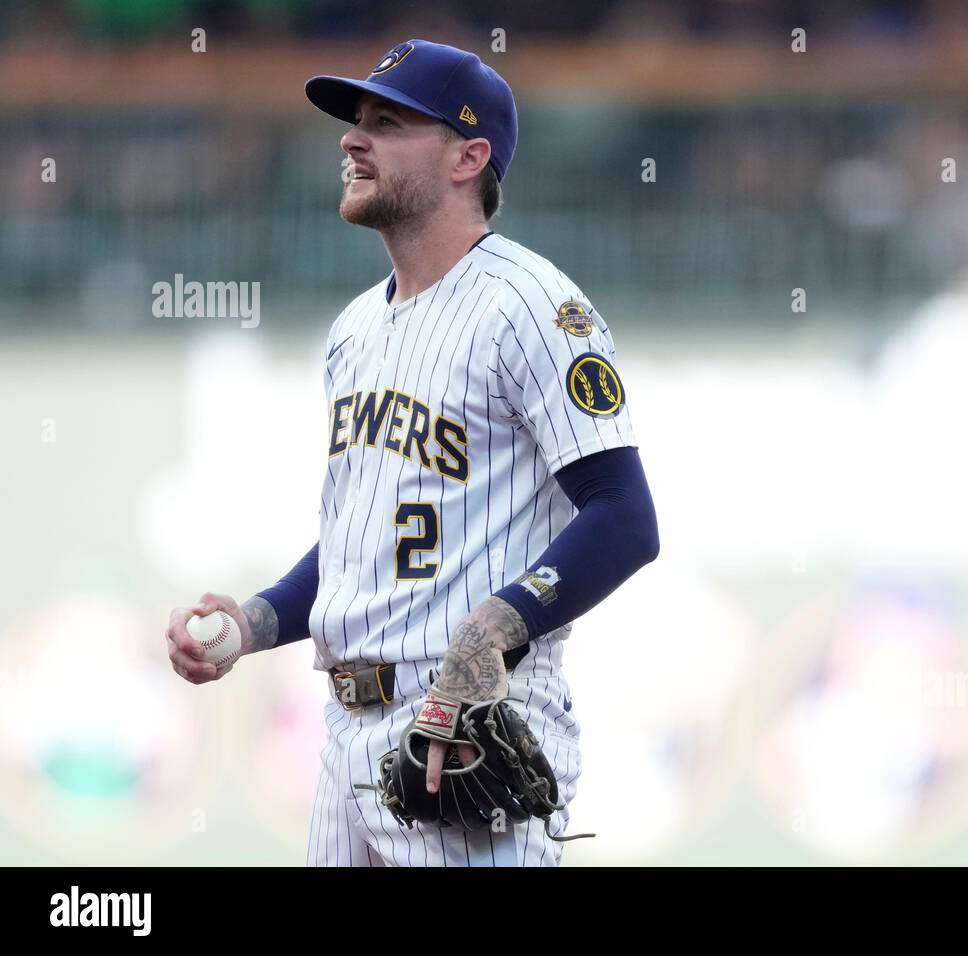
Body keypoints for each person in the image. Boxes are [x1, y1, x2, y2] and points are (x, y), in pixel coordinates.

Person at [163, 39, 658, 866]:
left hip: (462, 719)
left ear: (470, 157)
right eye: (355, 123)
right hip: (343, 730)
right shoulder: (355, 328)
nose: (352, 141)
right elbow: (366, 538)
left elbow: (625, 516)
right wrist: (254, 622)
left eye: (386, 123)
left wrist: (496, 629)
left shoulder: (532, 305)